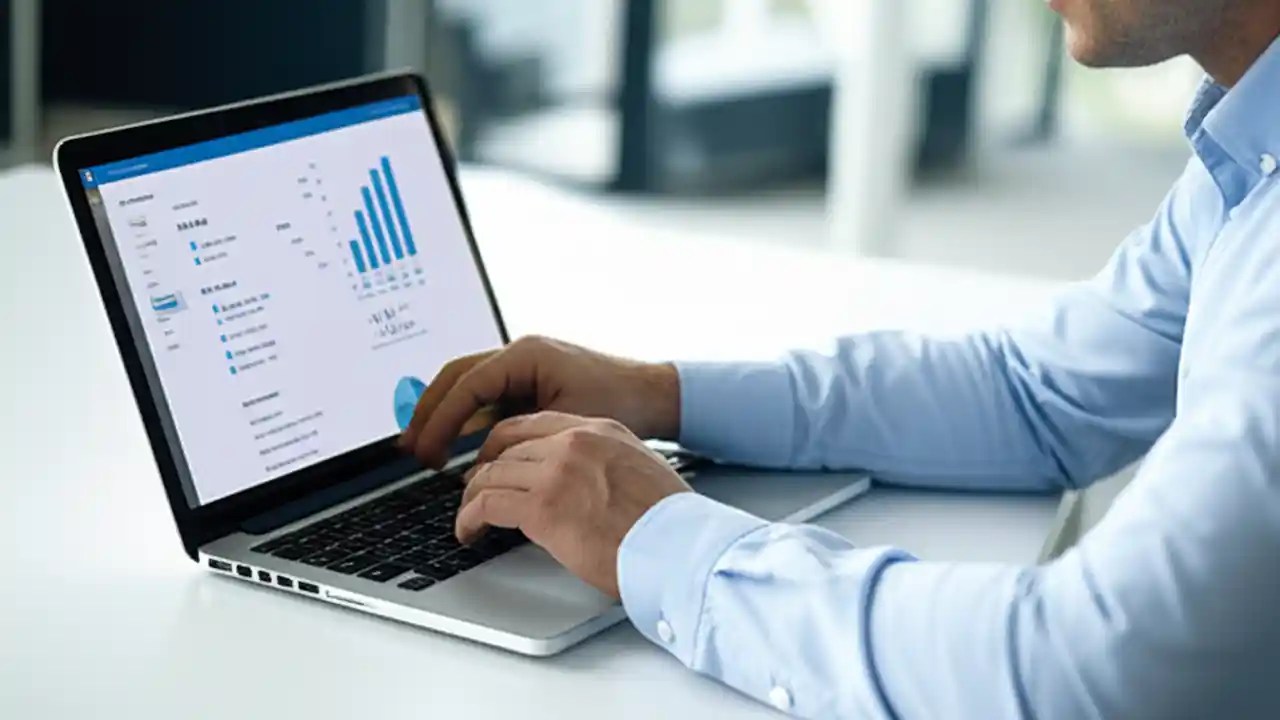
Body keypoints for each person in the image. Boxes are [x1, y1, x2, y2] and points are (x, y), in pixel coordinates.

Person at [400, 1, 1280, 717]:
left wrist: (661, 540)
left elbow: (1083, 671)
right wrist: (660, 394)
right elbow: (1036, 390)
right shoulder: (1249, 152)